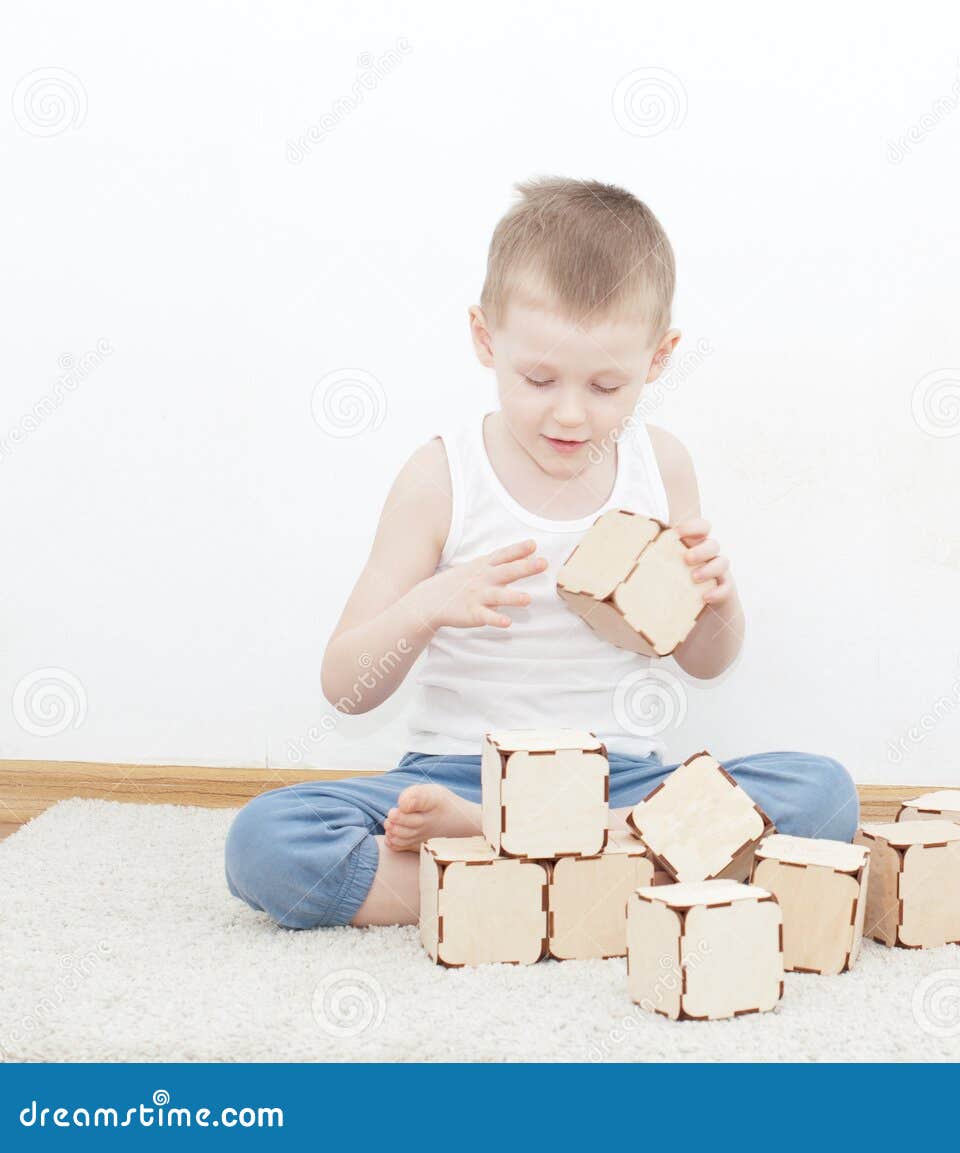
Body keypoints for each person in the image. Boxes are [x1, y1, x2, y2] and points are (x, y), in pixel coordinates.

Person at [224, 177, 858, 929]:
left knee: (824, 791)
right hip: (461, 775)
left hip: (616, 780)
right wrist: (429, 604)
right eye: (537, 378)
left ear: (659, 359)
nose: (569, 413)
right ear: (485, 338)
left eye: (606, 385)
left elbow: (707, 661)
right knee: (264, 841)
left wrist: (719, 601)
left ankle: (499, 864)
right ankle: (601, 875)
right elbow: (345, 687)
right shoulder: (439, 478)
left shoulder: (665, 466)